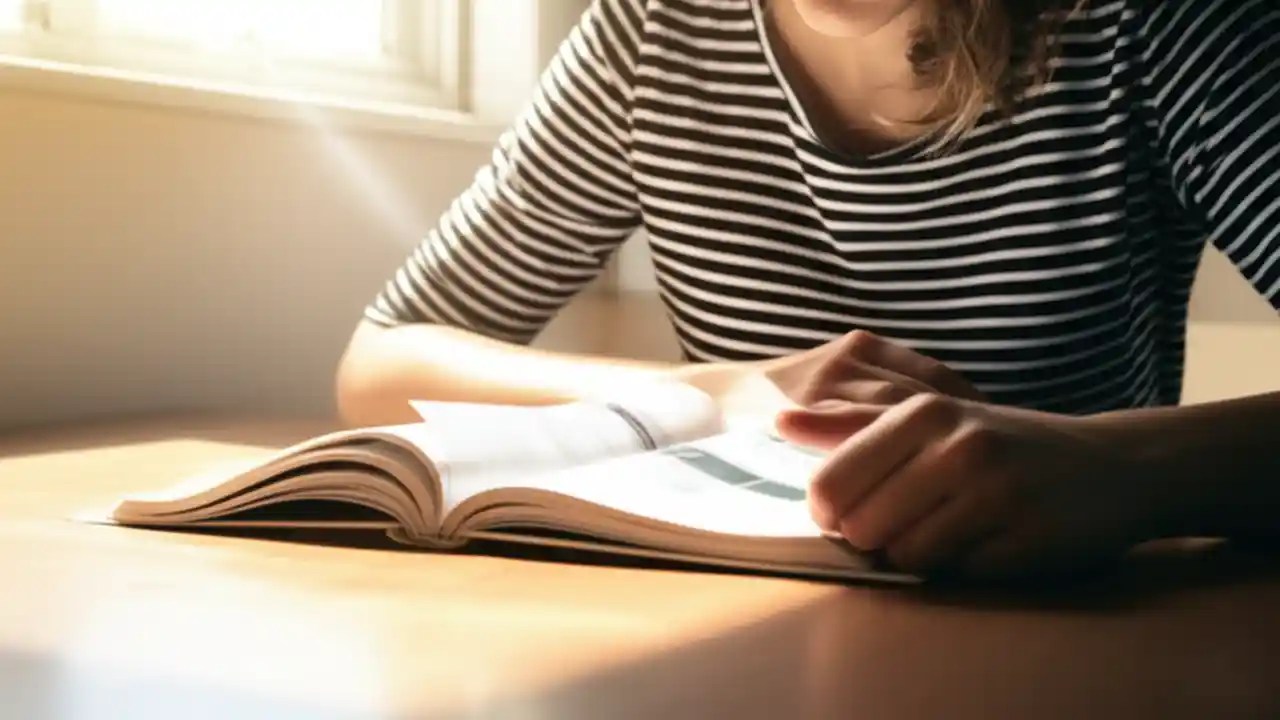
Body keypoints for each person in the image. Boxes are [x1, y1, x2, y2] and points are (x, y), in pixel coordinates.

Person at [336, 0, 1280, 579]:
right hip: (727, 637)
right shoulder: (655, 29)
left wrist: (1124, 473)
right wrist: (714, 390)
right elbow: (385, 360)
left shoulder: (1161, 25)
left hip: (1066, 653)